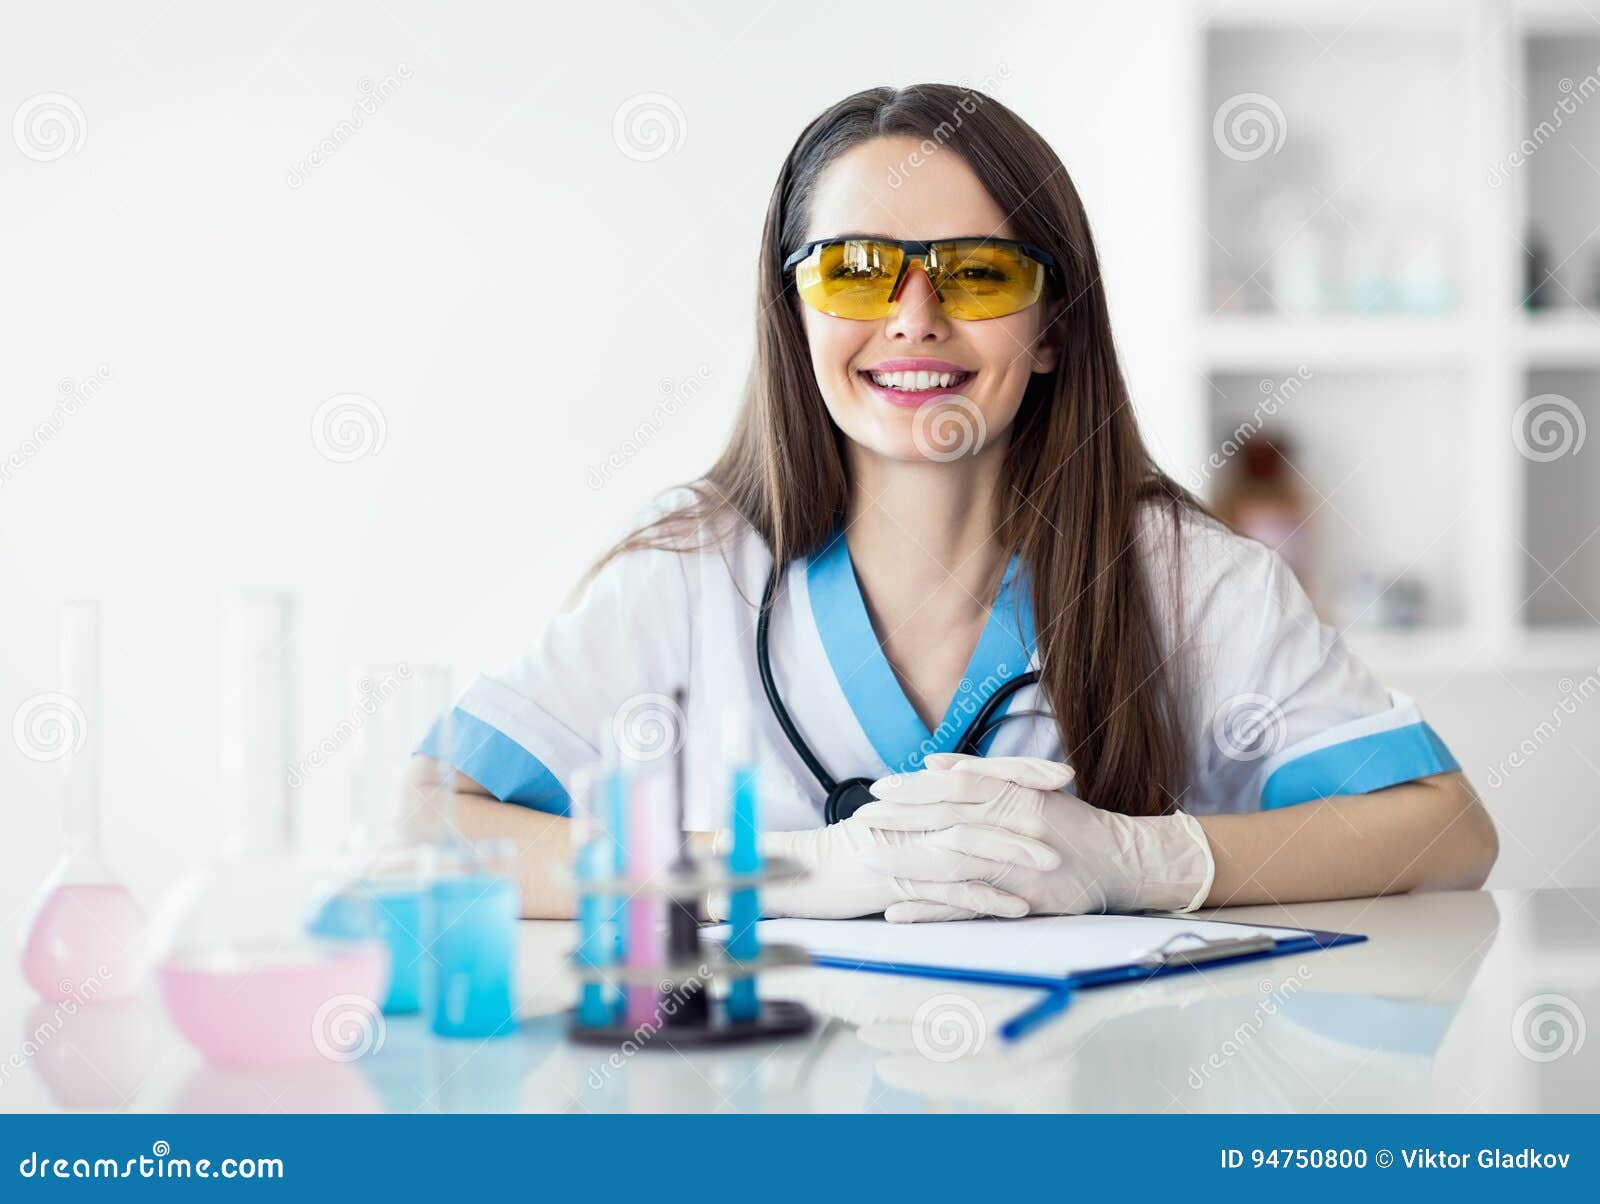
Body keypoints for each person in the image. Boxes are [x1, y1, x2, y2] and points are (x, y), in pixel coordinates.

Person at [419, 84, 1497, 920]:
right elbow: (429, 820)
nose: (913, 319)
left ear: (1053, 329)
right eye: (854, 272)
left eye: (977, 276)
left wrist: (1148, 859)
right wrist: (775, 872)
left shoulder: (1187, 578)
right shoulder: (691, 577)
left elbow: (1447, 830)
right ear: (793, 314)